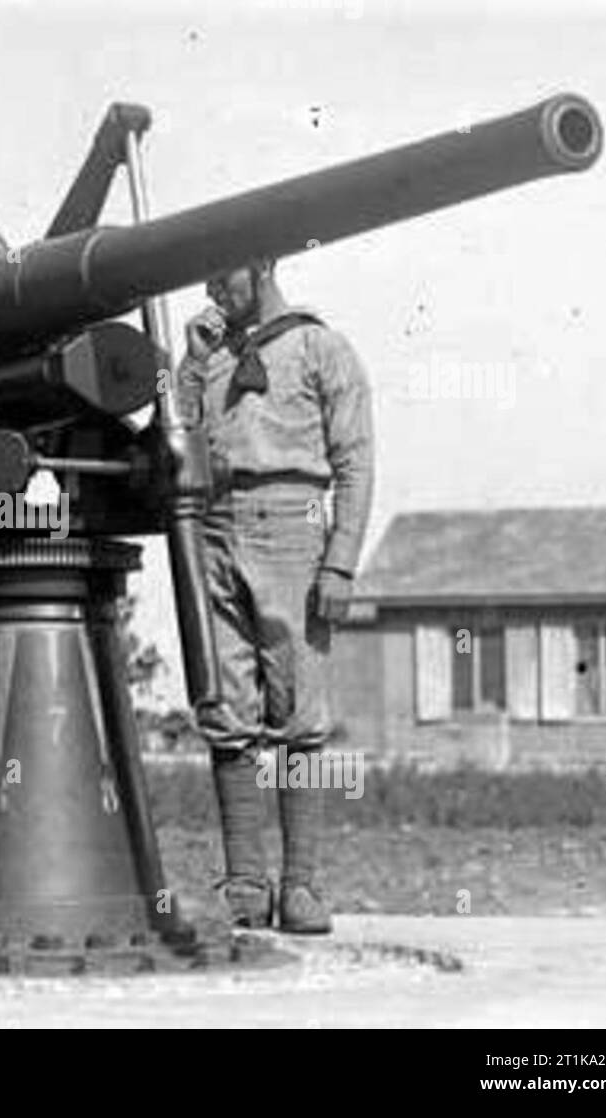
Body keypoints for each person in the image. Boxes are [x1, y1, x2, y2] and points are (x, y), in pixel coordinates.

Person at [178, 257, 374, 934]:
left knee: (300, 715)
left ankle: (301, 888)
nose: (210, 288)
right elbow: (180, 446)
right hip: (216, 526)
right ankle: (245, 885)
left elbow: (355, 460)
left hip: (294, 530)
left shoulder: (322, 347)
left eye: (221, 274)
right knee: (225, 706)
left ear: (259, 266)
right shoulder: (210, 356)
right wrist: (191, 369)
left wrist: (341, 563)